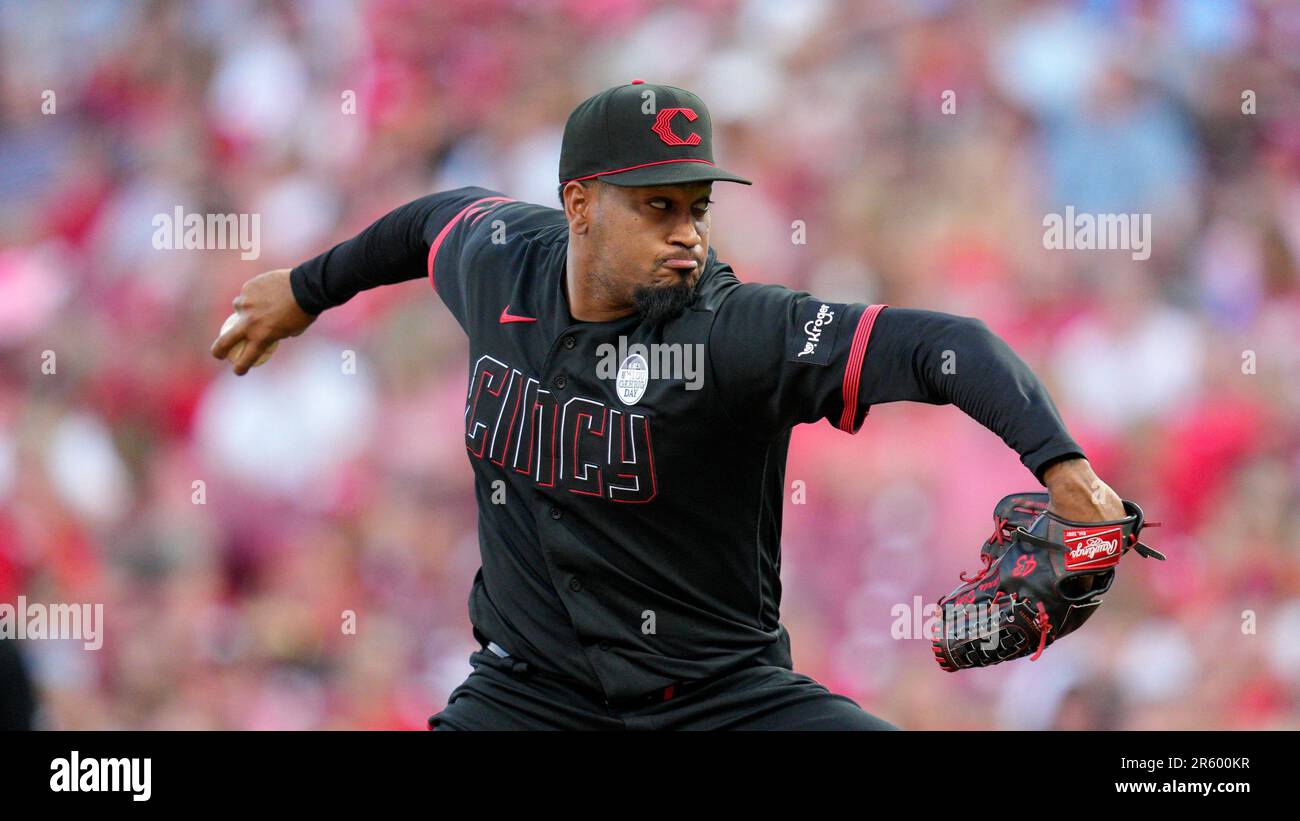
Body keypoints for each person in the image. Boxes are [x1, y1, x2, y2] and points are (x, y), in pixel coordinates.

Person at [211, 81, 1125, 730]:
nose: (686, 231)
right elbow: (423, 225)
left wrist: (1065, 468)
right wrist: (306, 287)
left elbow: (946, 344)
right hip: (530, 697)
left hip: (724, 699)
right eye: (656, 207)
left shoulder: (736, 331)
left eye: (697, 204)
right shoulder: (499, 258)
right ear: (578, 204)